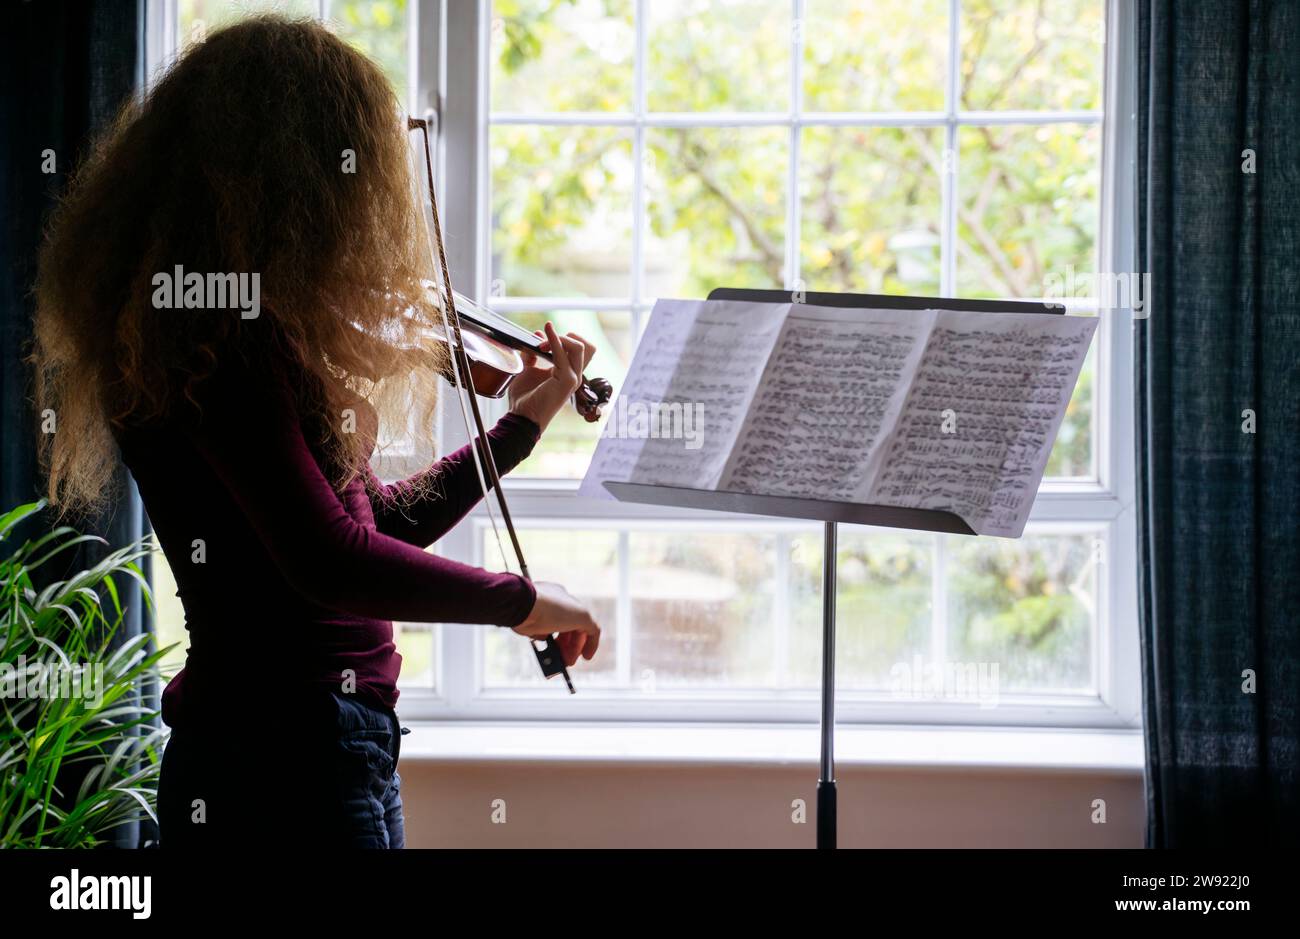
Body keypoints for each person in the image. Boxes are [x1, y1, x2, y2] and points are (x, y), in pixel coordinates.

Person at [30, 15, 600, 849]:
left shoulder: (215, 327)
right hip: (290, 758)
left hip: (310, 745)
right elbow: (330, 559)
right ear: (293, 178)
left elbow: (374, 525)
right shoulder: (219, 337)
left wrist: (522, 422)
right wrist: (521, 601)